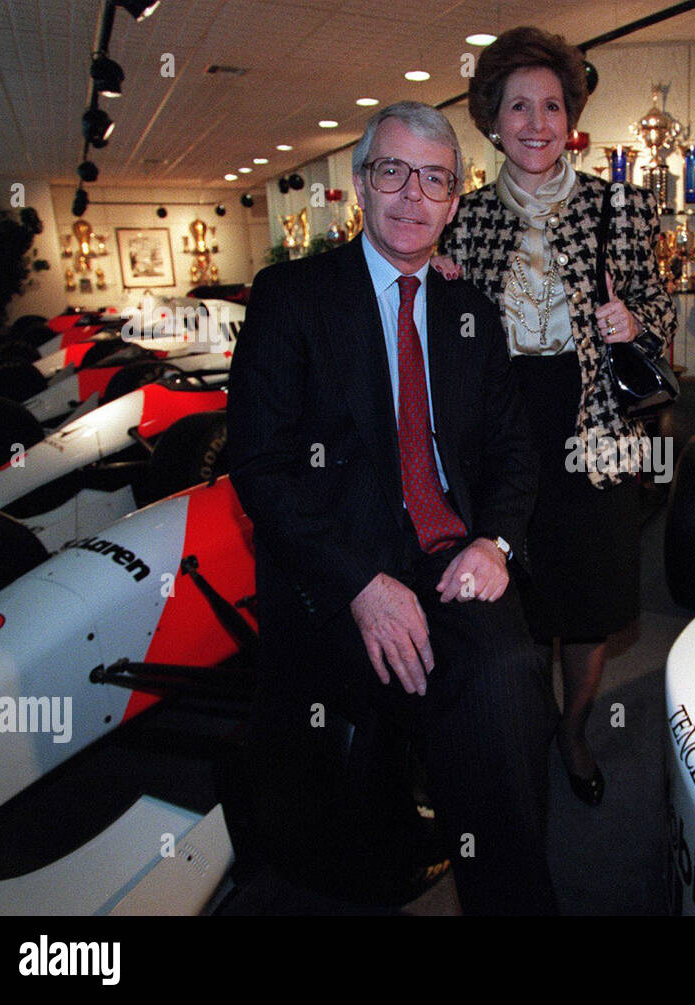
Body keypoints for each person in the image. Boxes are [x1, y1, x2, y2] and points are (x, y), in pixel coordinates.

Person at [228, 100, 557, 915]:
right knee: (346, 801)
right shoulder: (291, 297)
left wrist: (497, 545)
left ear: (454, 200)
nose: (414, 196)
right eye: (394, 172)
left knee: (509, 680)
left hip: (450, 561)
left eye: (435, 180)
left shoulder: (470, 312)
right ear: (360, 182)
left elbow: (517, 453)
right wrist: (360, 584)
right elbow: (261, 466)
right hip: (337, 570)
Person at [438, 26, 676, 806]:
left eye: (551, 104)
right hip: (502, 434)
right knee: (512, 603)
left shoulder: (622, 206)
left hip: (594, 434)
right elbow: (447, 338)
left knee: (587, 607)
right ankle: (520, 721)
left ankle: (571, 730)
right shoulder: (464, 219)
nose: (536, 121)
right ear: (493, 119)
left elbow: (661, 315)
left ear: (570, 115)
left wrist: (633, 323)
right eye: (518, 106)